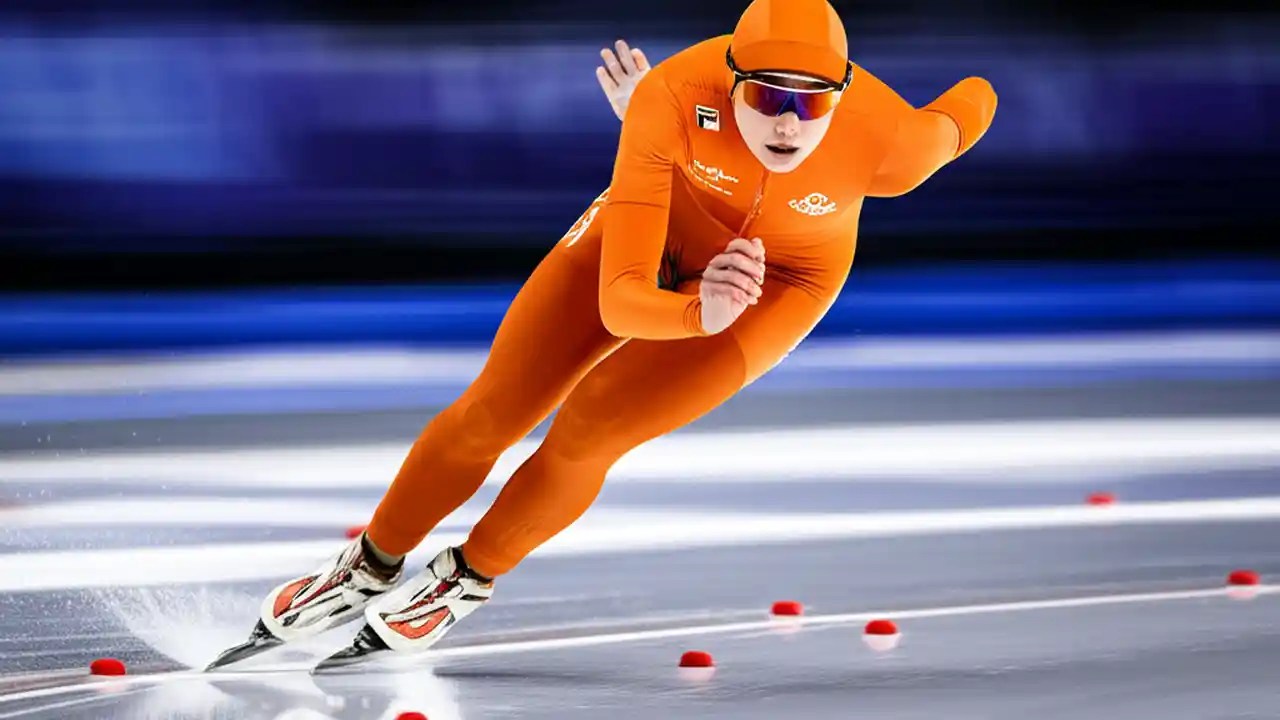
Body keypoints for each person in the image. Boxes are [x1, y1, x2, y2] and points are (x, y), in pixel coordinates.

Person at [209, 0, 997, 671]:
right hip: (664, 230)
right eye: (766, 98)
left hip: (782, 280)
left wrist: (720, 312)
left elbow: (972, 104)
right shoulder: (670, 96)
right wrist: (695, 307)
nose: (787, 124)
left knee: (591, 429)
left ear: (844, 94)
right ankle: (369, 564)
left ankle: (465, 578)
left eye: (812, 104)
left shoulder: (893, 144)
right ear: (730, 82)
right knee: (497, 408)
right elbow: (622, 303)